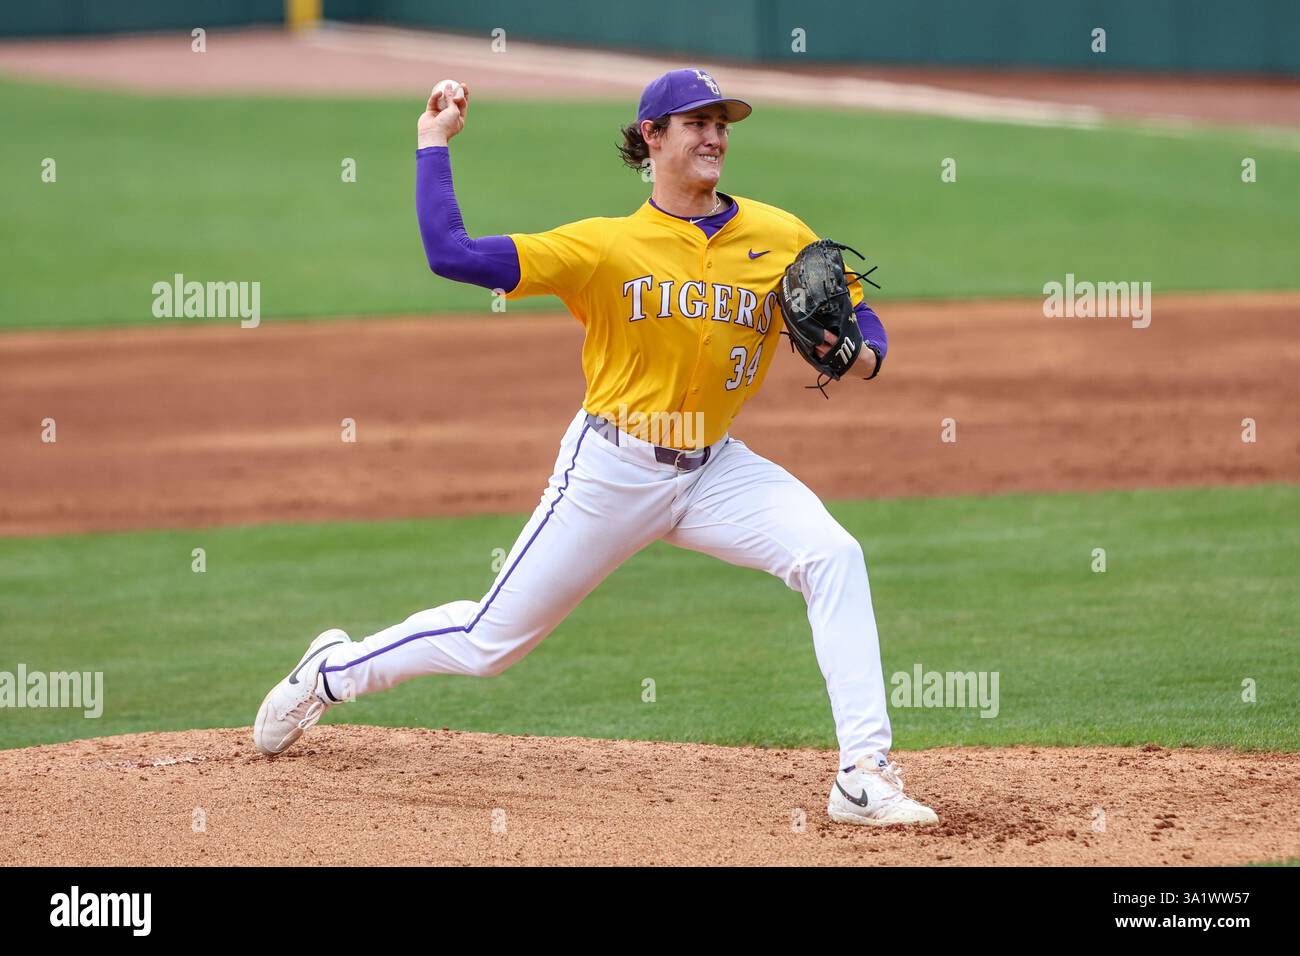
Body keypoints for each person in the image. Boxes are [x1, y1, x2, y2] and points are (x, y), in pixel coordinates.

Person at [253, 68, 938, 827]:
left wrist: (865, 354)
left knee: (833, 555)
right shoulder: (604, 247)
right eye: (695, 123)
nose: (714, 136)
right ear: (651, 137)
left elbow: (858, 314)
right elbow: (452, 254)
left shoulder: (780, 236)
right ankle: (329, 673)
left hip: (715, 468)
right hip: (612, 470)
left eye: (722, 123)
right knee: (490, 642)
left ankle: (862, 774)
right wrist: (432, 140)